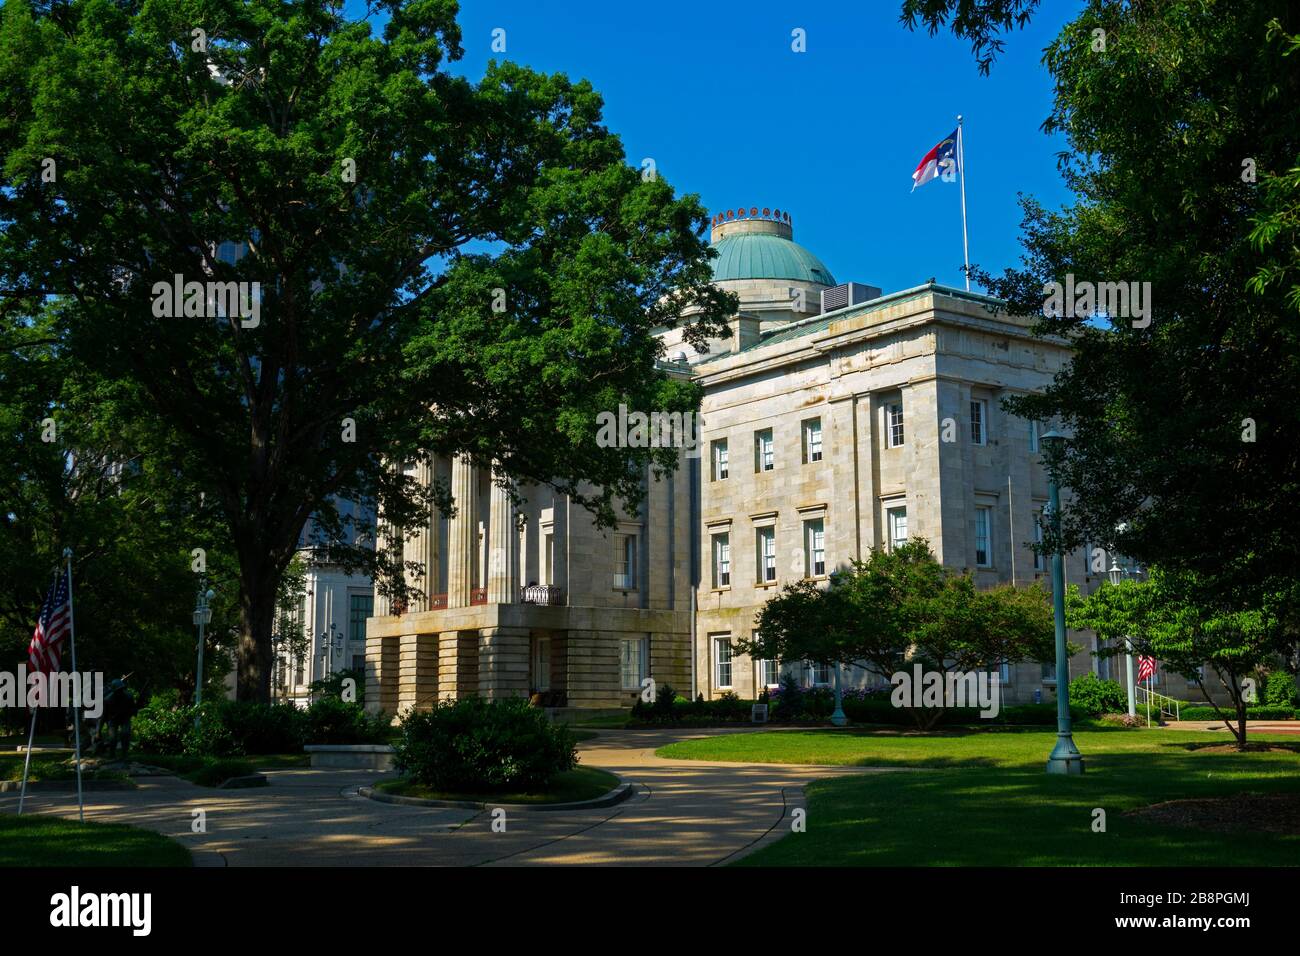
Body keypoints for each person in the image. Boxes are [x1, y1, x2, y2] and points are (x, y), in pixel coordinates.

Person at [101, 677, 140, 759]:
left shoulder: (129, 697)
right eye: (118, 690)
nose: (120, 692)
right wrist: (99, 730)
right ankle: (112, 754)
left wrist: (134, 711)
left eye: (121, 689)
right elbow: (104, 715)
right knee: (112, 738)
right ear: (114, 691)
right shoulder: (108, 700)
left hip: (125, 718)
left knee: (125, 733)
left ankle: (124, 754)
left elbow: (133, 708)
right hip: (113, 720)